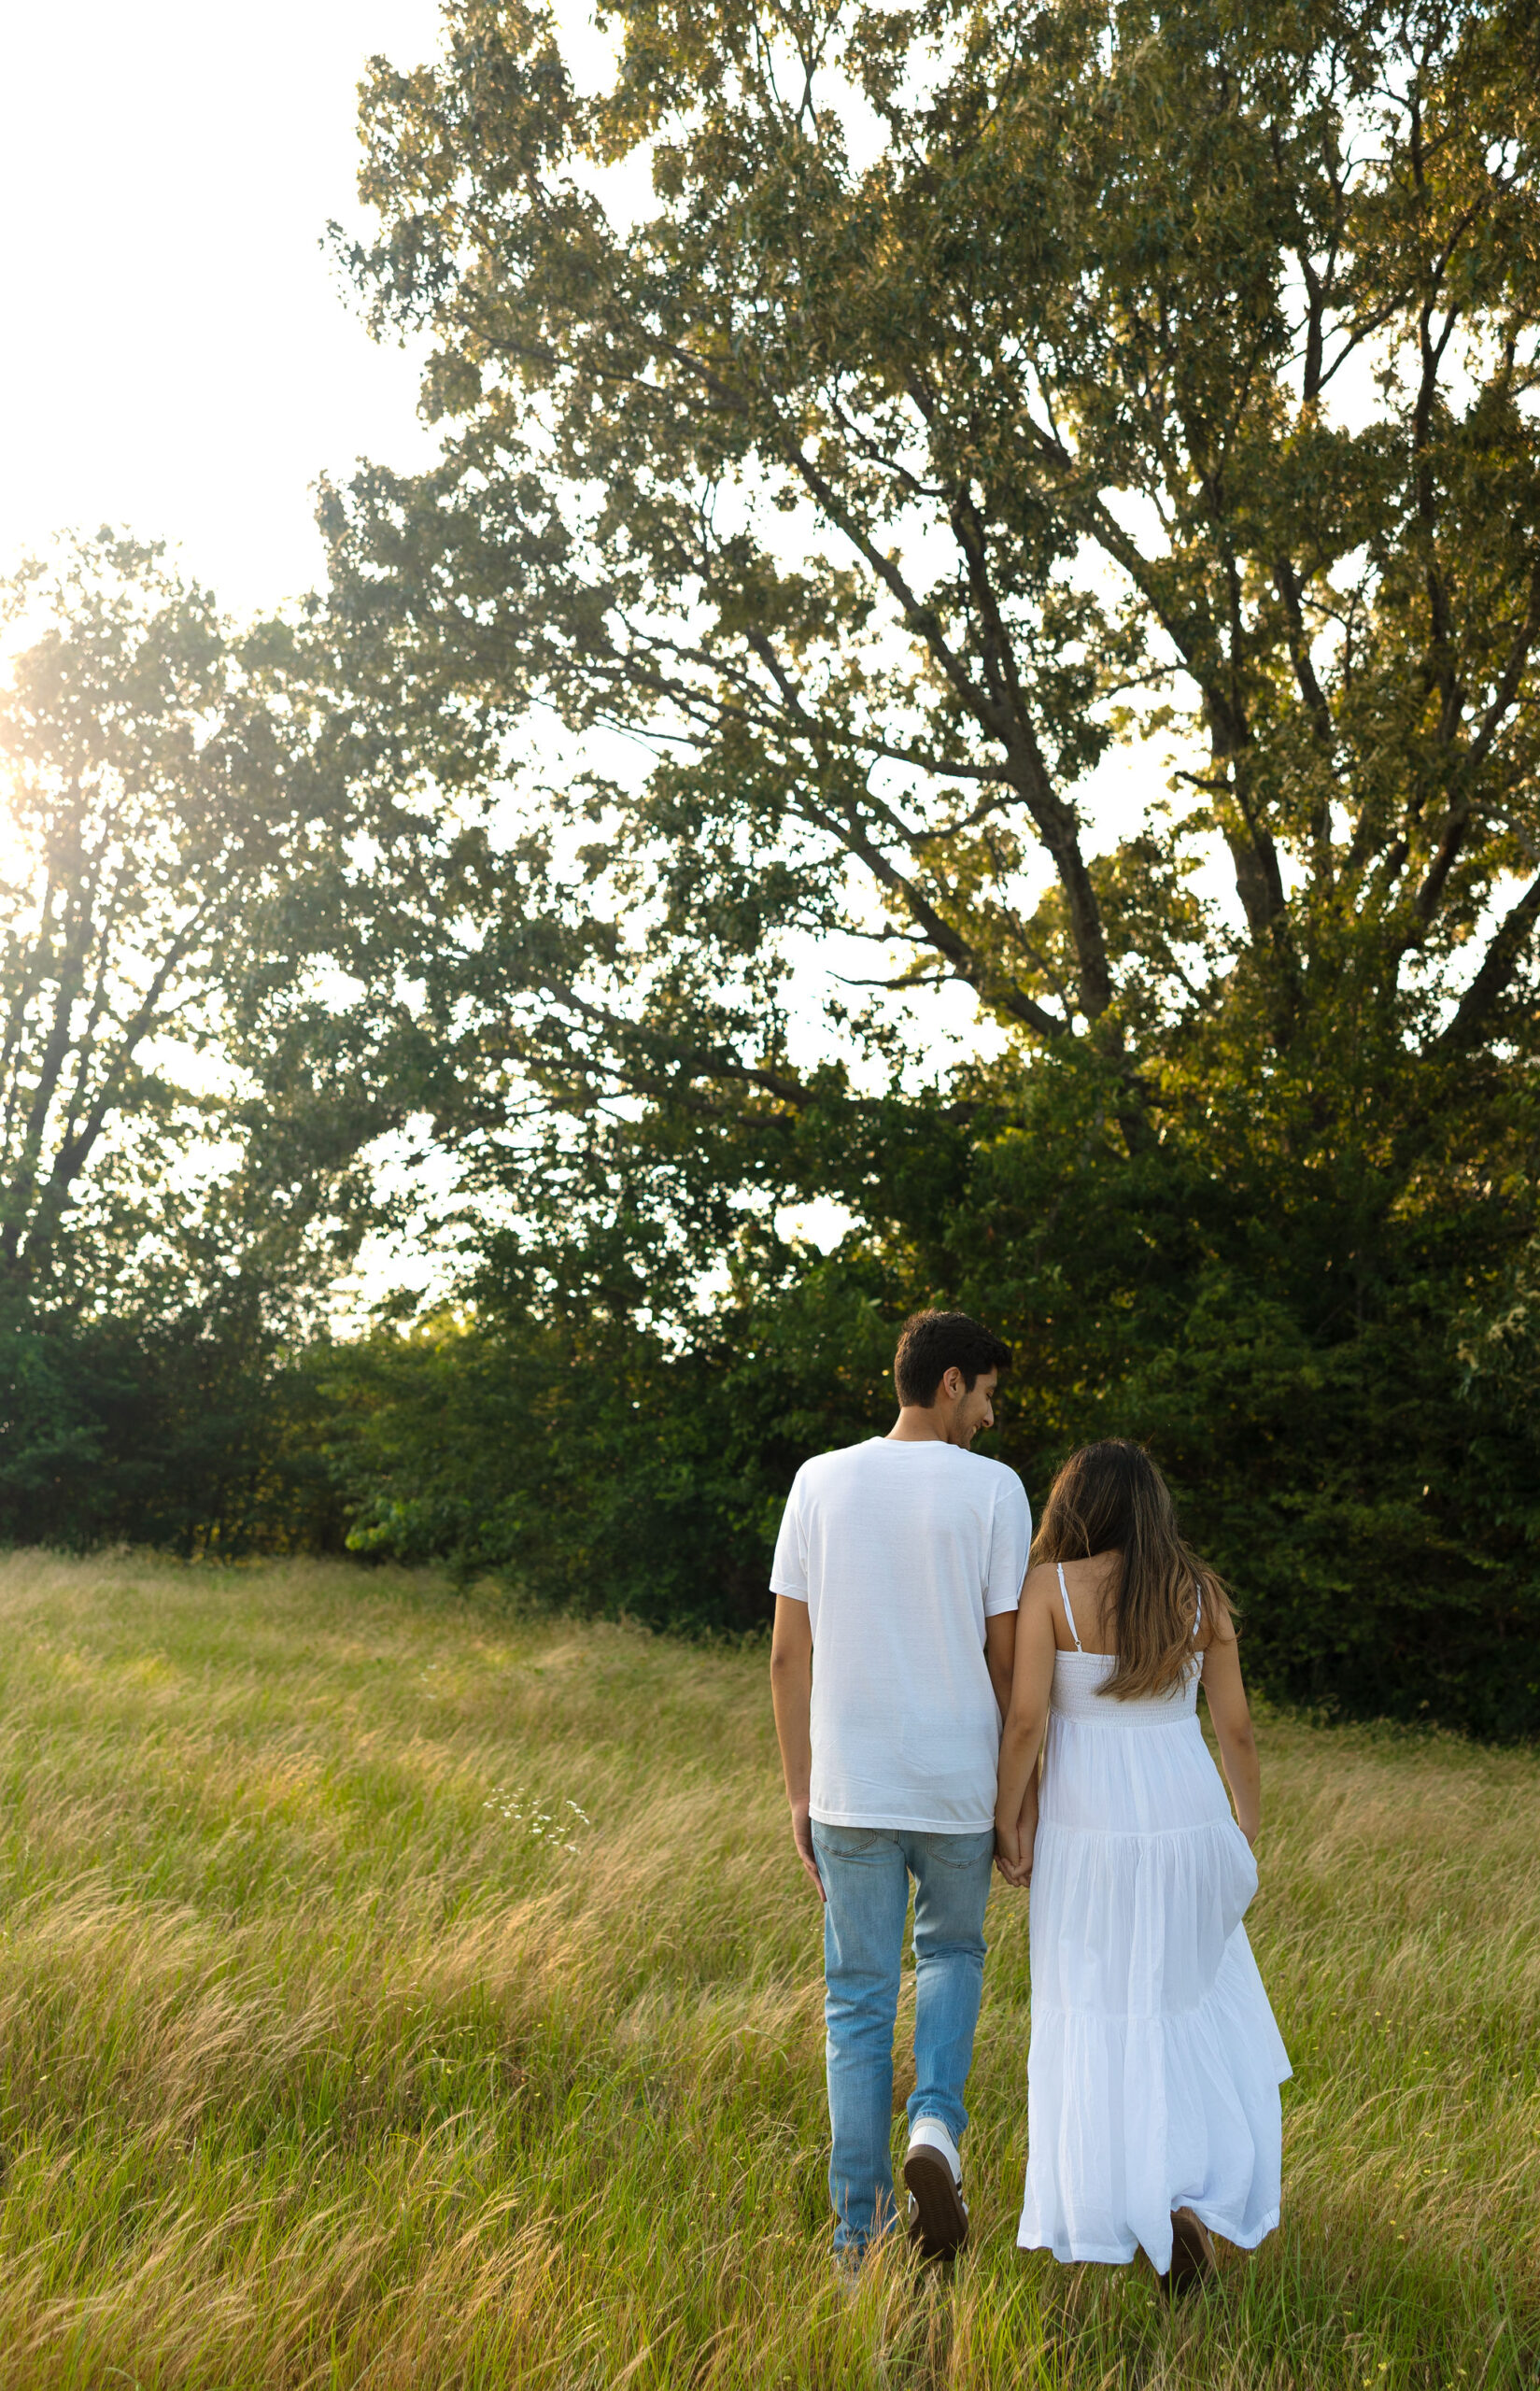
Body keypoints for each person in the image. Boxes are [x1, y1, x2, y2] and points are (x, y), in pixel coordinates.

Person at [995, 1439, 1291, 2290]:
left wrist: (1008, 1820)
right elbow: (1234, 1729)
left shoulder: (1048, 1589)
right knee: (1182, 2010)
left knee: (1096, 2007)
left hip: (1089, 1833)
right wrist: (1244, 1831)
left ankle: (1140, 2202)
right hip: (1192, 1822)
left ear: (1074, 1504)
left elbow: (1024, 1725)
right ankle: (1184, 2201)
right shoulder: (1197, 1594)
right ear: (1153, 1506)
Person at [769, 1309, 1031, 2267]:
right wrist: (1018, 1798)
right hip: (956, 1781)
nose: (991, 1419)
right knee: (953, 1954)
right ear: (951, 1380)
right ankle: (934, 2129)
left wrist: (799, 1791)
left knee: (856, 2004)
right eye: (988, 1395)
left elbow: (786, 1652)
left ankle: (857, 2237)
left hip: (850, 1784)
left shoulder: (816, 1480)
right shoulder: (995, 1493)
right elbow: (1008, 1664)